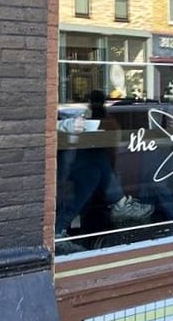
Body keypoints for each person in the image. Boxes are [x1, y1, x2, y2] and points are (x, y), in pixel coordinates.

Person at [56, 89, 154, 246]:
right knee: (96, 158)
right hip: (50, 162)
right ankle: (121, 205)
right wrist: (69, 125)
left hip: (64, 158)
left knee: (93, 171)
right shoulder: (109, 120)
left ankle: (59, 231)